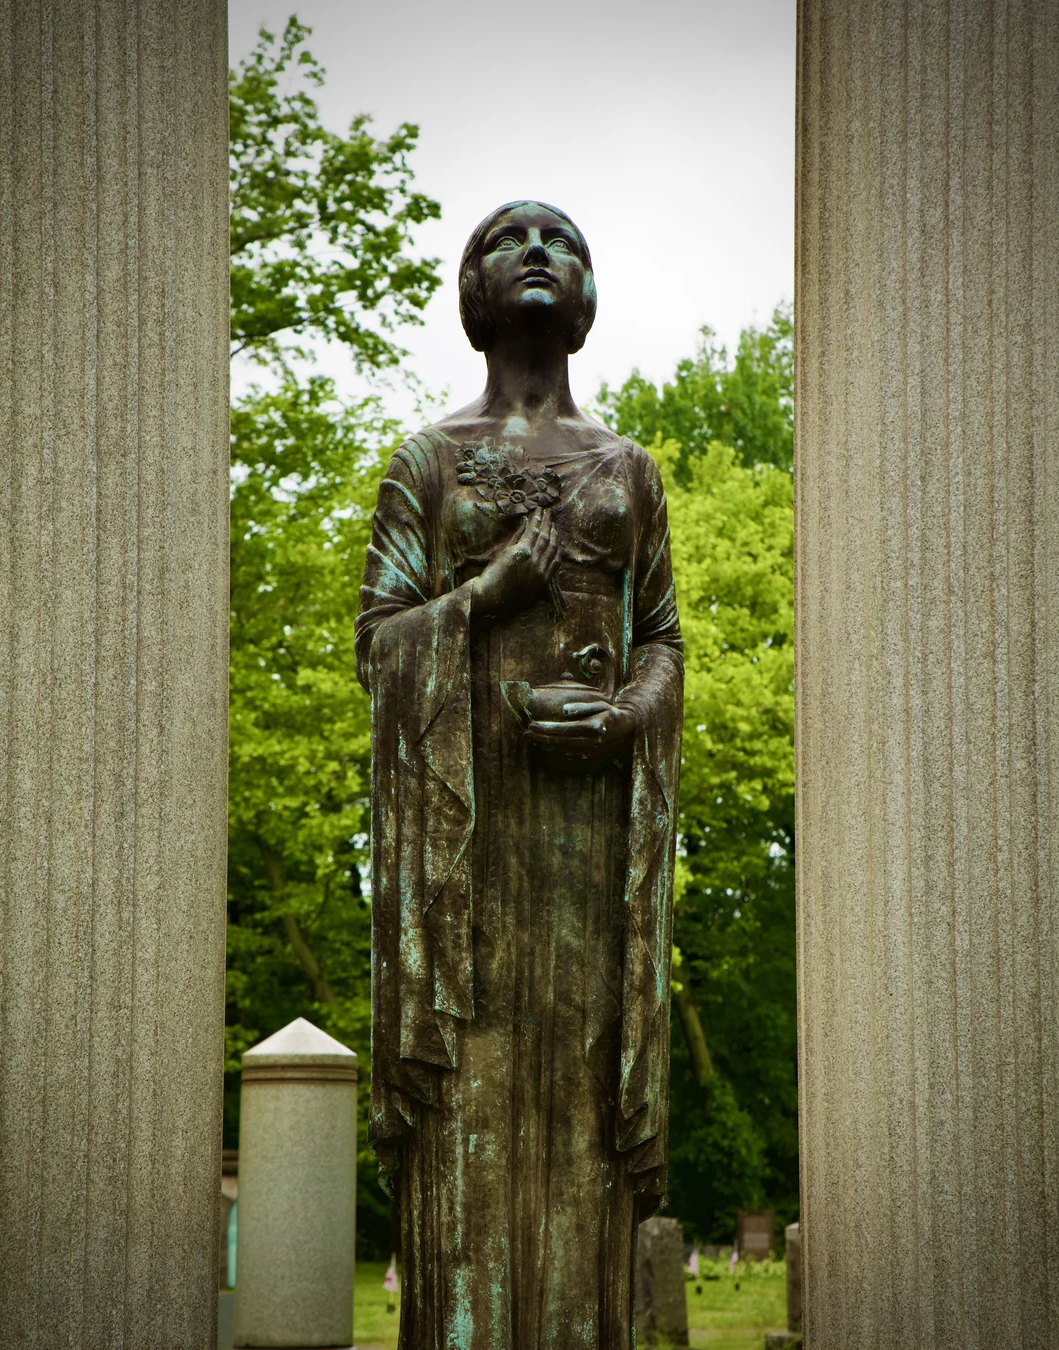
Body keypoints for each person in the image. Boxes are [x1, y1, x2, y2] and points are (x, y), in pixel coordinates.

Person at [356, 200, 683, 1350]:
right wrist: (490, 599)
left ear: (584, 301)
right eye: (509, 239)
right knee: (470, 1107)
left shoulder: (627, 471)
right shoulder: (427, 462)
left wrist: (625, 718)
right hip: (466, 846)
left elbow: (666, 644)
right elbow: (378, 645)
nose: (539, 252)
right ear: (474, 294)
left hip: (590, 848)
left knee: (583, 1111)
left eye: (565, 243)